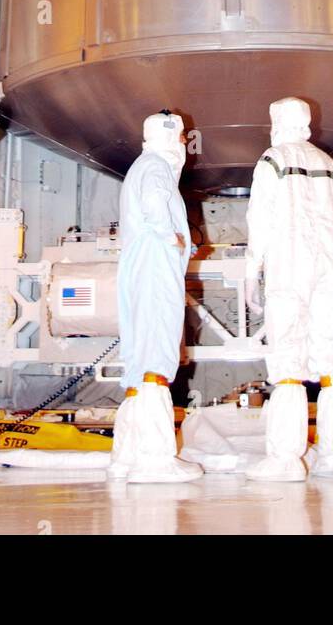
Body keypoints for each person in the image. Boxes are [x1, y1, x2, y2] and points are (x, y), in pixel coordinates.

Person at [244, 97, 333, 481]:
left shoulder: (273, 160)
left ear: (277, 123)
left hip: (288, 266)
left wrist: (251, 272)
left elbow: (260, 219)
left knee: (287, 359)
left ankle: (286, 458)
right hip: (328, 267)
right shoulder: (331, 165)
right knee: (331, 359)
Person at [107, 111, 202, 484]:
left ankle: (126, 456)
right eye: (181, 138)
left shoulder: (141, 165)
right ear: (170, 137)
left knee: (139, 355)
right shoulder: (157, 166)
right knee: (157, 351)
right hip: (155, 263)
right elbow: (155, 204)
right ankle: (156, 460)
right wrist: (171, 237)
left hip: (139, 262)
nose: (184, 145)